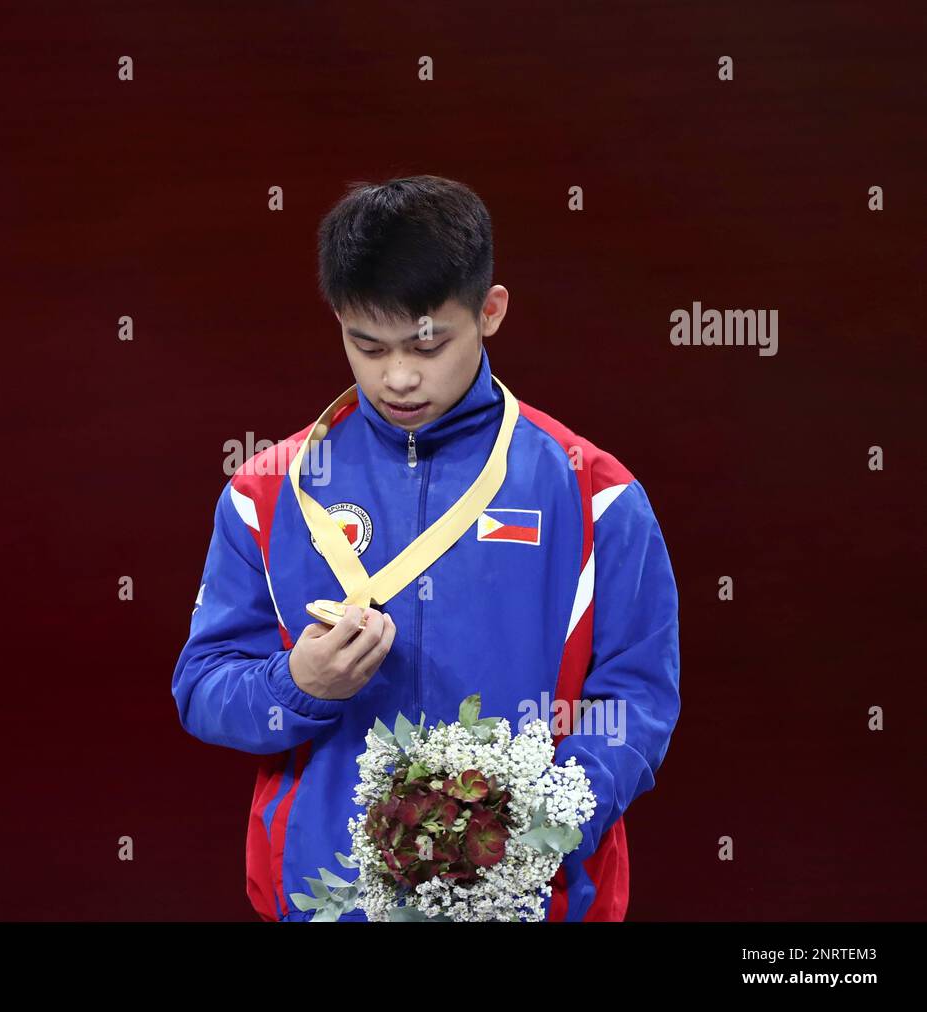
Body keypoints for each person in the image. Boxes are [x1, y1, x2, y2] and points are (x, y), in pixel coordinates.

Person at [170, 175, 680, 921]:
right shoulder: (267, 494)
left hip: (534, 899)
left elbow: (639, 699)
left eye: (427, 342)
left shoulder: (594, 493)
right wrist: (297, 685)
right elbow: (202, 689)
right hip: (325, 900)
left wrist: (535, 830)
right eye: (366, 345)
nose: (398, 376)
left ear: (491, 311)